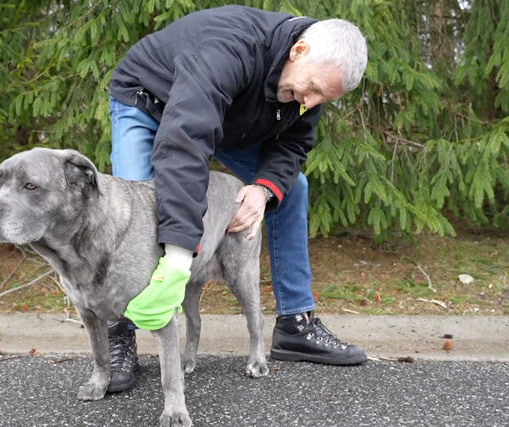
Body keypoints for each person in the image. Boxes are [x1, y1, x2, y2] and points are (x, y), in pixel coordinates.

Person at [106, 5, 369, 392]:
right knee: (132, 210)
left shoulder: (308, 85)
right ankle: (120, 333)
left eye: (321, 98)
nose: (310, 103)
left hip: (224, 117)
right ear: (298, 51)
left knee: (292, 189)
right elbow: (186, 142)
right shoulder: (228, 48)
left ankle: (296, 325)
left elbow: (293, 144)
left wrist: (263, 190)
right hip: (150, 101)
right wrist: (180, 255)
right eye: (311, 89)